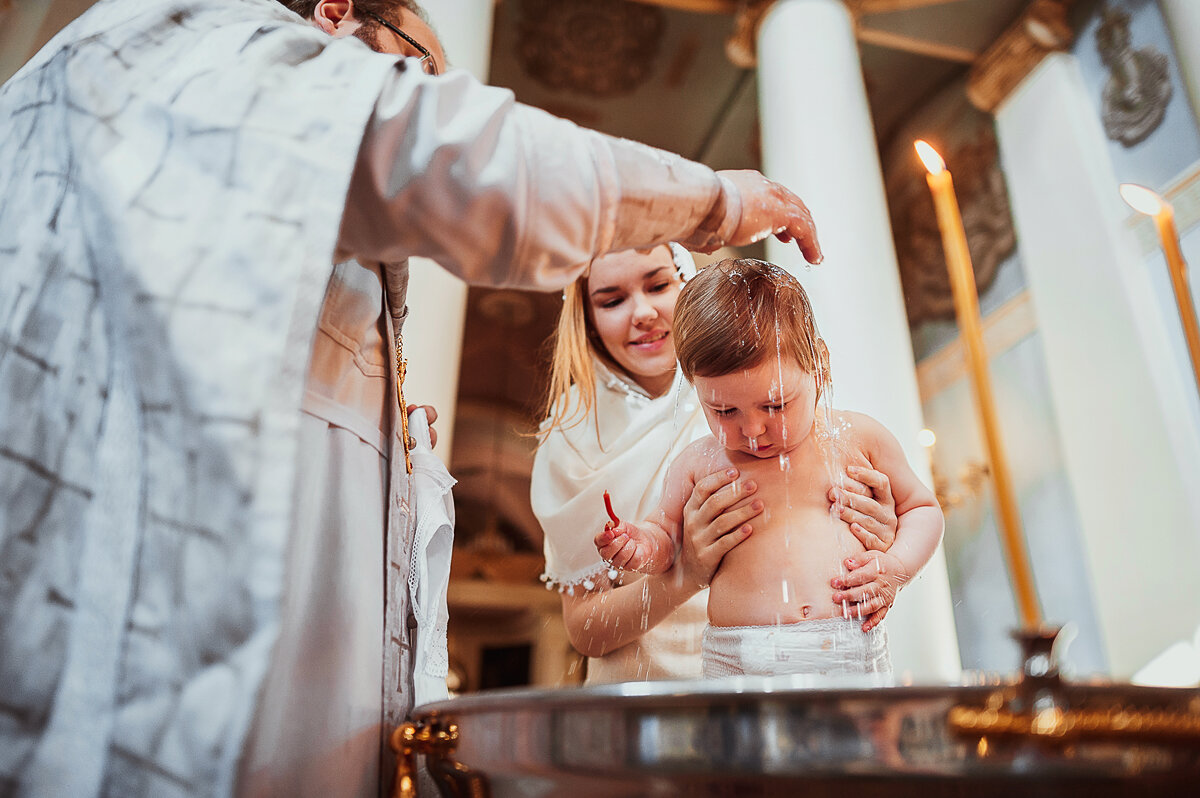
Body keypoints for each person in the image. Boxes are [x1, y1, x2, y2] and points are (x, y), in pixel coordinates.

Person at [0, 0, 829, 794]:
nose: (423, 99)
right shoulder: (209, 38)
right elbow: (453, 157)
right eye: (415, 72)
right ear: (335, 9)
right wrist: (712, 202)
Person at [532, 247, 903, 684]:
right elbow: (586, 632)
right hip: (646, 697)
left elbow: (864, 531)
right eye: (612, 300)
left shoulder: (775, 395)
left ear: (686, 281)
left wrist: (884, 536)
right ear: (587, 319)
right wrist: (684, 574)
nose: (643, 312)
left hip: (787, 677)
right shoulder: (570, 438)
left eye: (658, 285)